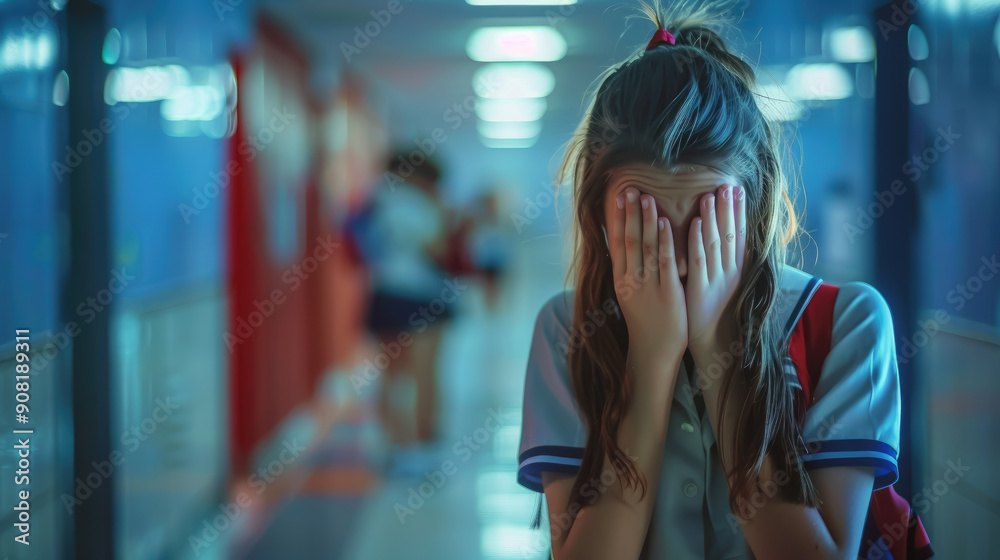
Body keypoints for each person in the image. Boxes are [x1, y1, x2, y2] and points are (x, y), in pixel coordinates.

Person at [516, 1, 911, 558]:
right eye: (645, 226)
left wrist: (717, 350)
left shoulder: (846, 323)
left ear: (755, 202)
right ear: (597, 215)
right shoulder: (566, 329)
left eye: (706, 223)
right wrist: (651, 358)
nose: (680, 262)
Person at [363, 151, 452, 472]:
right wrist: (445, 217)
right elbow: (438, 251)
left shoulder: (377, 202)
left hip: (385, 294)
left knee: (391, 376)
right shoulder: (415, 205)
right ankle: (422, 445)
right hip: (420, 296)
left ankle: (397, 447)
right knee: (424, 375)